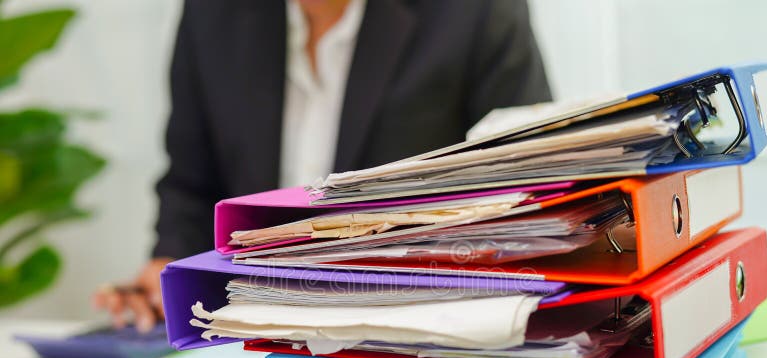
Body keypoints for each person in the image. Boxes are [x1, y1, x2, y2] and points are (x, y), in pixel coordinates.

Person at [94, 0, 552, 331]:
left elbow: (531, 187)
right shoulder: (212, 15)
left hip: (418, 326)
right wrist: (165, 269)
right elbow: (191, 180)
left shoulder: (479, 12)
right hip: (254, 326)